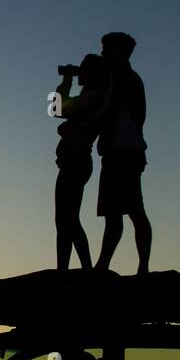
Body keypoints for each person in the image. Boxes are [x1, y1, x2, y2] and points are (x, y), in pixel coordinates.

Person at [95, 31, 151, 273]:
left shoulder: (128, 80)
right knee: (113, 214)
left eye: (107, 50)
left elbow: (136, 116)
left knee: (134, 211)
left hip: (126, 153)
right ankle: (104, 263)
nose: (102, 54)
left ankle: (143, 266)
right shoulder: (114, 80)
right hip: (117, 153)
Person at [52, 54, 111, 270]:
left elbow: (57, 109)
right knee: (65, 220)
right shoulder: (91, 96)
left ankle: (79, 267)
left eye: (84, 69)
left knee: (67, 219)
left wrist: (66, 81)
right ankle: (66, 267)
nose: (80, 72)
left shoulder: (94, 96)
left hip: (75, 161)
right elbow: (59, 111)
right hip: (72, 160)